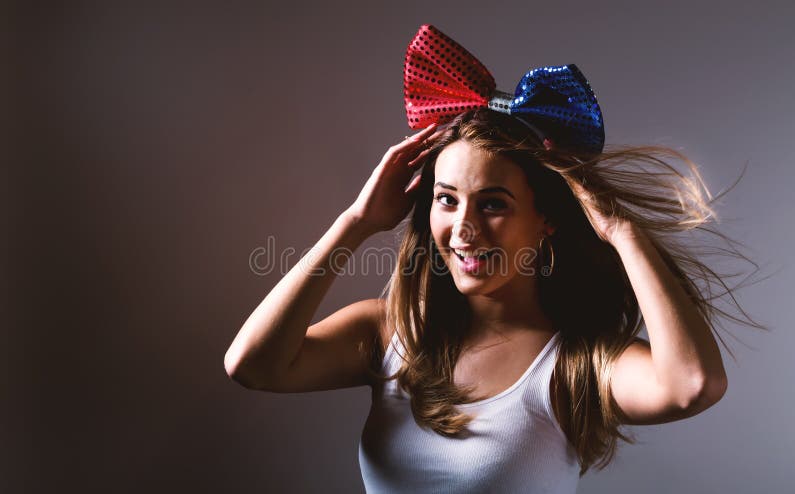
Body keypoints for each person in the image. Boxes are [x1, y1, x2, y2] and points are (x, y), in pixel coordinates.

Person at [224, 24, 763, 493]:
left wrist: (620, 231)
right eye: (446, 198)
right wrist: (356, 223)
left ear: (544, 220)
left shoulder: (575, 363)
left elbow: (692, 384)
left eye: (493, 205)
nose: (463, 229)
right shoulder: (389, 332)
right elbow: (252, 366)